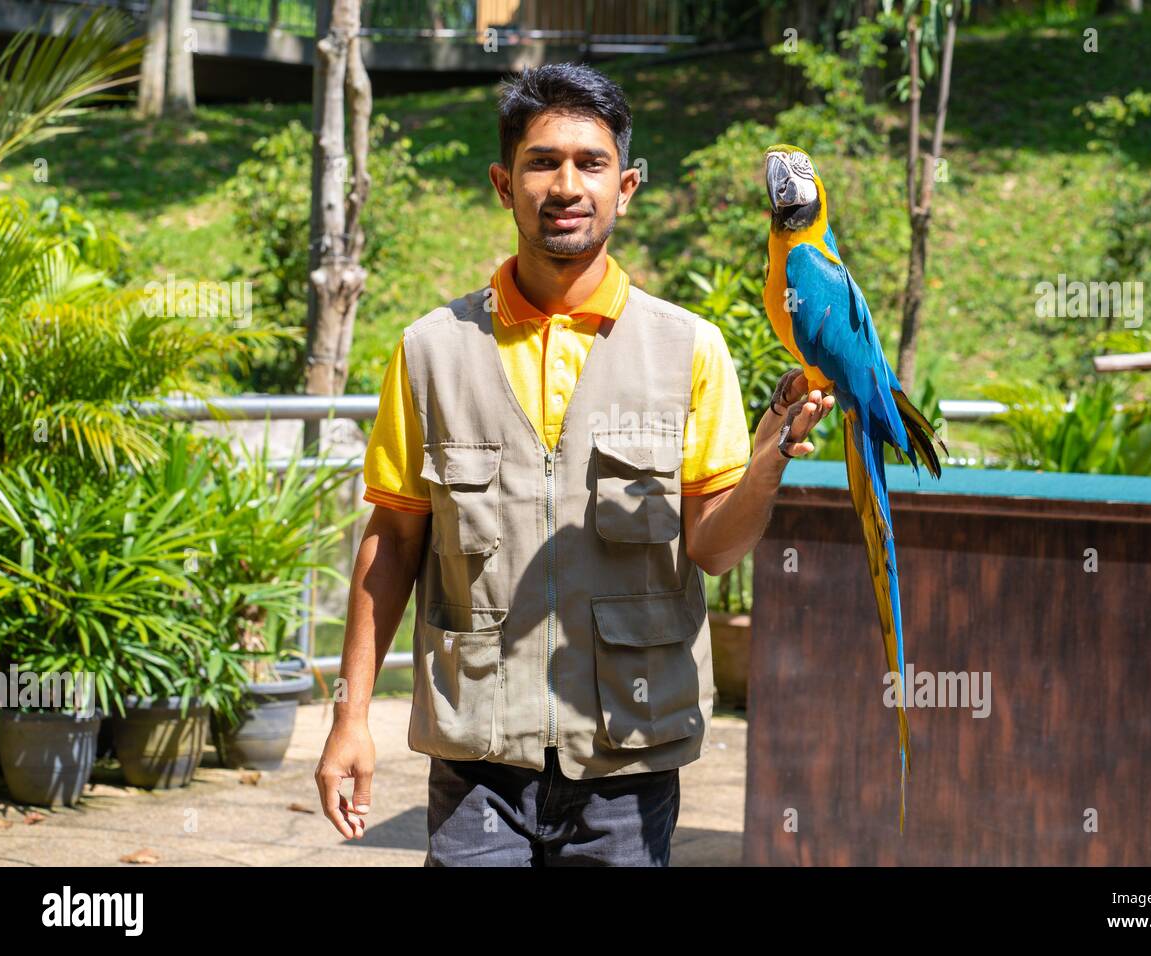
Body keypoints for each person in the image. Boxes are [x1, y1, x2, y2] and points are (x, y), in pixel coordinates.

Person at [314, 61, 833, 866]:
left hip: (629, 761)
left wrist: (765, 466)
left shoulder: (689, 350)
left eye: (590, 164)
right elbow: (393, 542)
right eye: (541, 162)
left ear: (624, 187)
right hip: (475, 759)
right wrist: (349, 718)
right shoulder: (431, 353)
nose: (566, 185)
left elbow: (713, 548)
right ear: (502, 182)